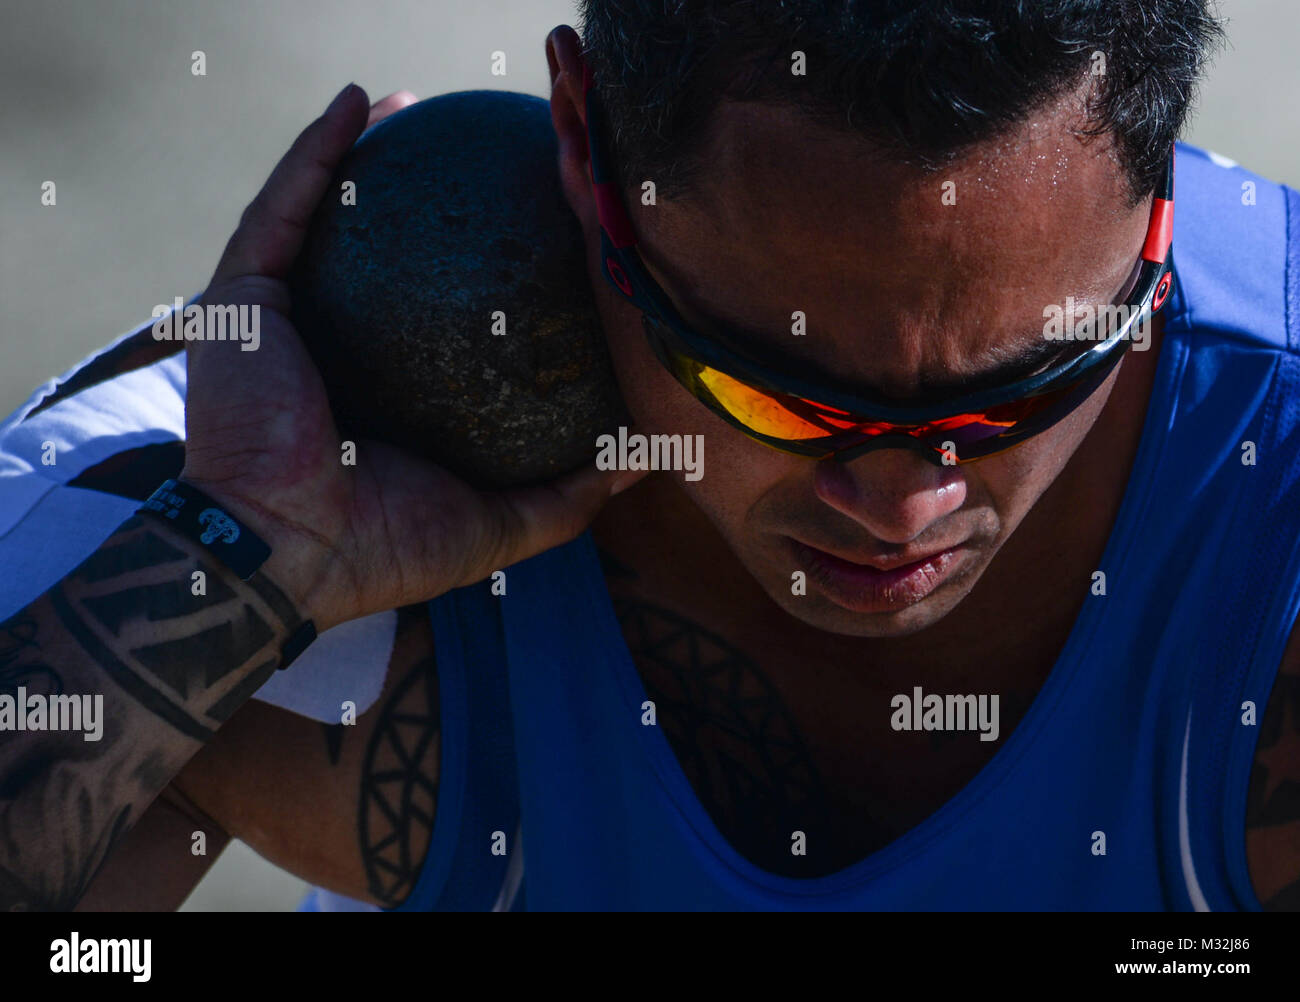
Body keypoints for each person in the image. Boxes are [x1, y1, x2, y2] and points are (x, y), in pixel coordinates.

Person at [2, 1, 1297, 912]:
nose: (906, 500)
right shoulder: (251, 465)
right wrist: (246, 557)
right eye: (779, 390)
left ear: (1157, 219)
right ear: (581, 135)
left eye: (1022, 385)